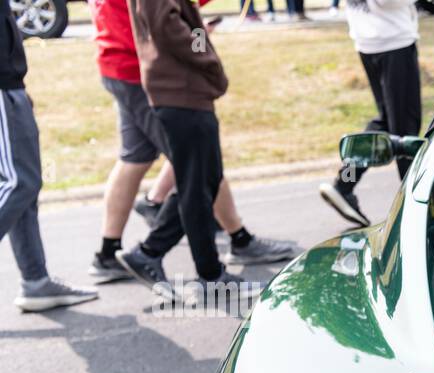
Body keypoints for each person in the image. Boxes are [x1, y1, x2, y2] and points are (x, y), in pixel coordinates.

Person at [89, 0, 292, 283]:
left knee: (144, 160)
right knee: (198, 171)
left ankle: (118, 248)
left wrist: (194, 30)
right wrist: (203, 51)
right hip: (153, 70)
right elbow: (166, 22)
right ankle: (225, 248)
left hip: (125, 59)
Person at [116, 0, 257, 309]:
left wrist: (199, 42)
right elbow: (166, 24)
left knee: (204, 179)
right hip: (179, 88)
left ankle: (152, 252)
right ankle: (208, 275)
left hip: (180, 87)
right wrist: (205, 56)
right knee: (198, 184)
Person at [0, 0, 98, 312]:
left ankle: (36, 282)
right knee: (19, 183)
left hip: (10, 85)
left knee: (27, 187)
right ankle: (35, 281)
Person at [319, 0, 421, 227]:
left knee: (387, 121)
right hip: (390, 37)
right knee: (404, 131)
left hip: (369, 36)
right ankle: (417, 205)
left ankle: (345, 183)